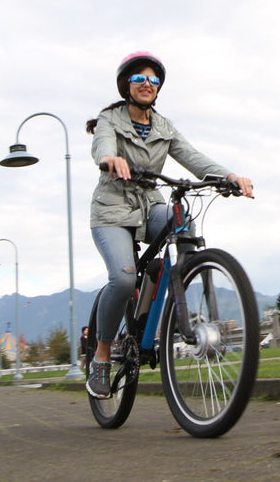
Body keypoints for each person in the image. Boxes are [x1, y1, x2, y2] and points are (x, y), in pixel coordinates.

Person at [83, 52, 254, 399]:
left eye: (153, 80)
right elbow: (102, 146)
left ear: (159, 88)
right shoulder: (109, 119)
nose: (147, 84)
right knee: (123, 278)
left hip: (149, 206)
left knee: (182, 222)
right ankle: (101, 356)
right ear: (126, 86)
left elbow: (193, 157)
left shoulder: (164, 127)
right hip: (112, 210)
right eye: (139, 79)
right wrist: (109, 159)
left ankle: (177, 294)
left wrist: (229, 176)